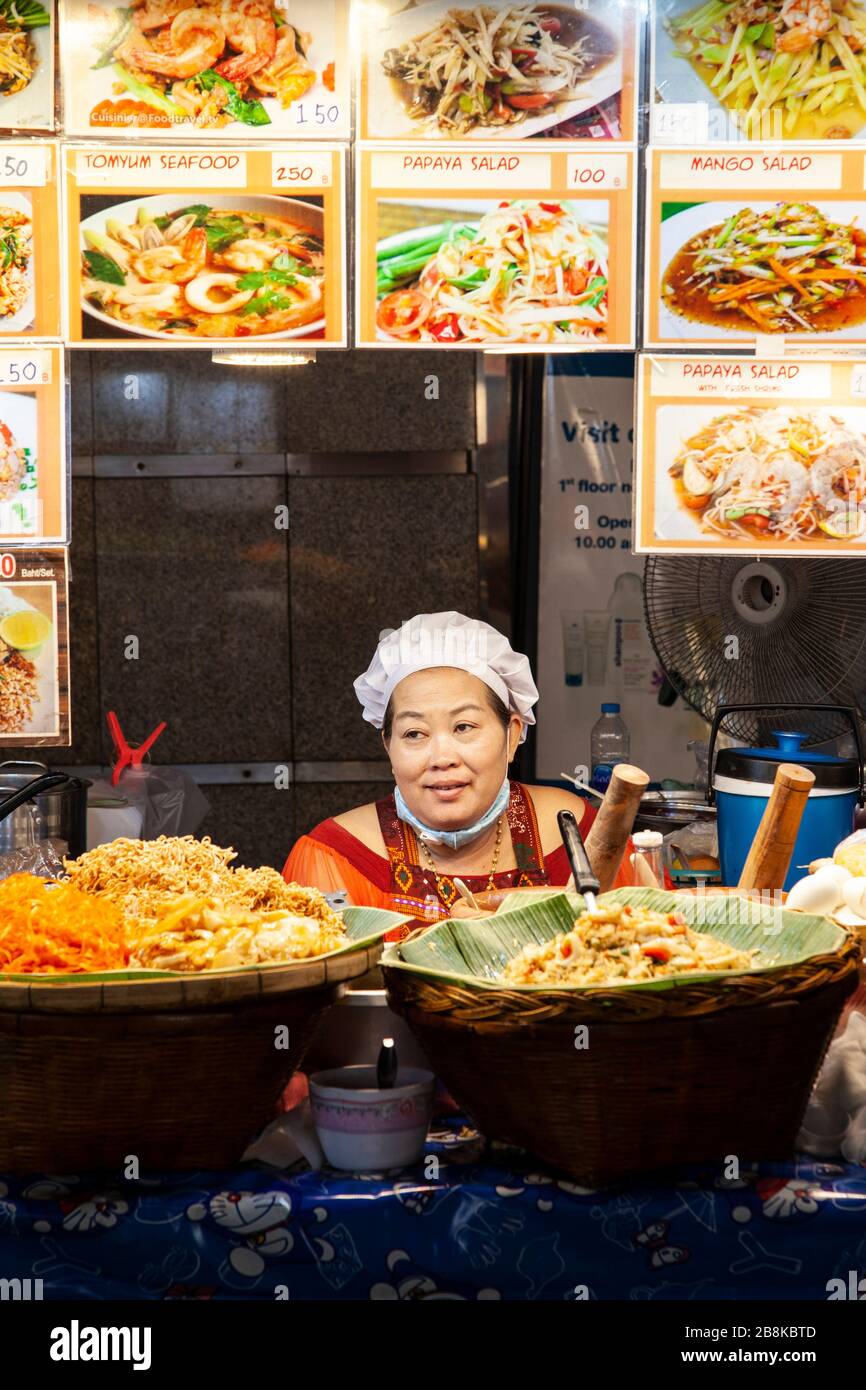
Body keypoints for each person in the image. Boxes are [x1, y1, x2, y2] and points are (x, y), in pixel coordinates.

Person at [283, 612, 635, 934]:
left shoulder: (579, 836)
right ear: (389, 747)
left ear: (512, 735)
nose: (442, 757)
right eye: (414, 734)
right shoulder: (335, 856)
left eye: (464, 726)